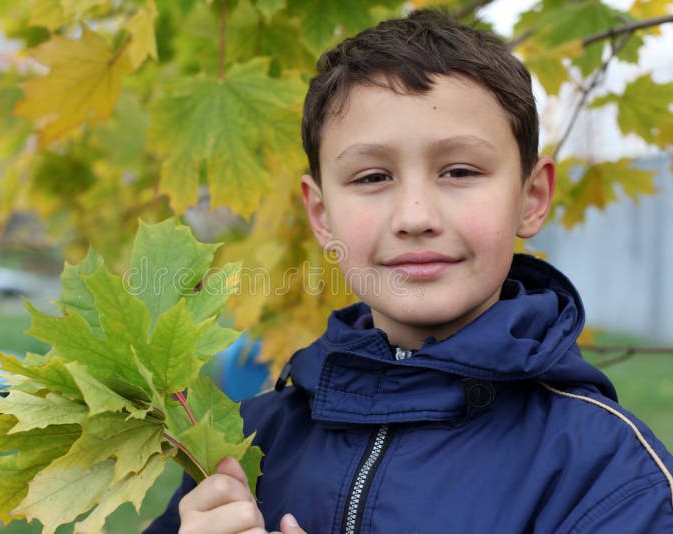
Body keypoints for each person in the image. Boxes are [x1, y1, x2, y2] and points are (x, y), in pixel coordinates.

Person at [146, 9, 673, 533]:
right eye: (373, 177)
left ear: (531, 197)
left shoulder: (607, 471)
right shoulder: (246, 446)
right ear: (322, 215)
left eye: (460, 171)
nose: (415, 217)